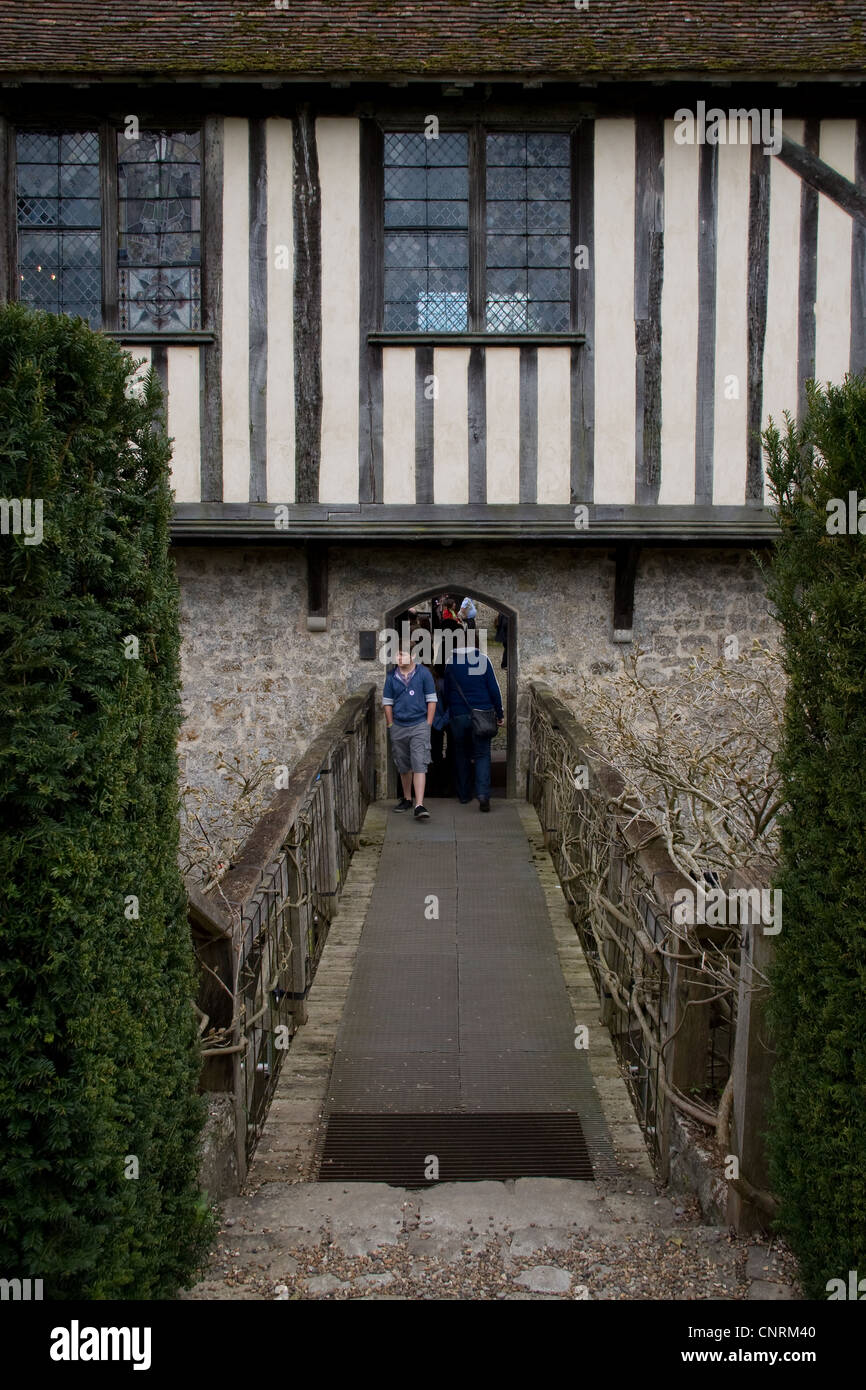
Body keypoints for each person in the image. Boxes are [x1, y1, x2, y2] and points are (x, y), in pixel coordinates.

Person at [444, 633, 504, 812]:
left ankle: (463, 794)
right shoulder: (483, 660)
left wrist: (452, 710)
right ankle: (483, 794)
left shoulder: (451, 662)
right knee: (482, 754)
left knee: (461, 754)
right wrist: (499, 713)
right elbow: (494, 690)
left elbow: (447, 691)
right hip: (482, 713)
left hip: (459, 715)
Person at [382, 648, 437, 820]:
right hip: (399, 725)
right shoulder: (391, 677)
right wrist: (390, 724)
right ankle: (407, 798)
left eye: (402, 654)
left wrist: (428, 723)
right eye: (397, 655)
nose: (398, 658)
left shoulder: (424, 674)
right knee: (403, 764)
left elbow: (432, 699)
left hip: (419, 724)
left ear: (413, 655)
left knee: (419, 762)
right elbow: (387, 702)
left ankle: (419, 804)